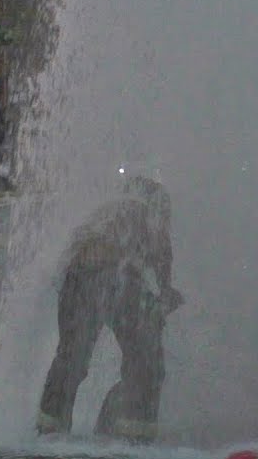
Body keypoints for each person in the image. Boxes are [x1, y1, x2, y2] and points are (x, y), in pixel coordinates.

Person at [36, 172, 183, 443]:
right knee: (147, 361)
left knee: (71, 359)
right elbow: (163, 257)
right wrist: (164, 296)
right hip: (113, 277)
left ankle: (49, 431)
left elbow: (67, 261)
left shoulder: (103, 214)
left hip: (76, 279)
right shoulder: (147, 214)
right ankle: (132, 433)